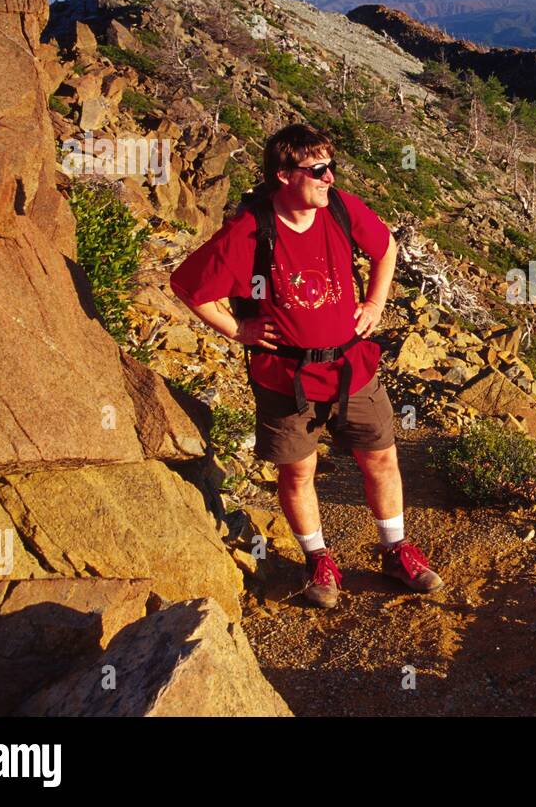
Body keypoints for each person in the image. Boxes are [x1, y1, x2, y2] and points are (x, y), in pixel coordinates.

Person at [170, 123, 443, 608]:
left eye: (330, 166)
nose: (329, 177)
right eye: (317, 169)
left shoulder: (339, 208)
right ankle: (318, 557)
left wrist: (376, 305)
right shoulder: (250, 230)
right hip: (284, 377)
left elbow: (385, 248)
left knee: (381, 458)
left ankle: (395, 547)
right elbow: (189, 286)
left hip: (350, 368)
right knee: (298, 473)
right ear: (282, 175)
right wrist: (237, 331)